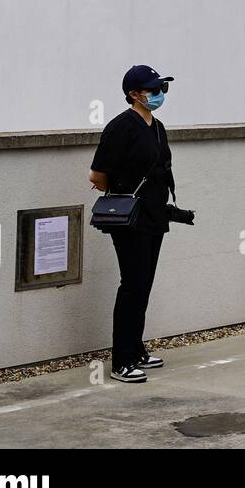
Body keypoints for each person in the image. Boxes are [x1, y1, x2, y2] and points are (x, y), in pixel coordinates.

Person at [89, 65, 177, 383]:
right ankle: (121, 360)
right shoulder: (120, 127)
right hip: (129, 218)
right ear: (134, 94)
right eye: (154, 90)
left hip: (154, 215)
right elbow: (97, 175)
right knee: (132, 285)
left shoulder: (157, 127)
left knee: (144, 284)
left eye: (162, 90)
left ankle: (136, 349)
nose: (159, 95)